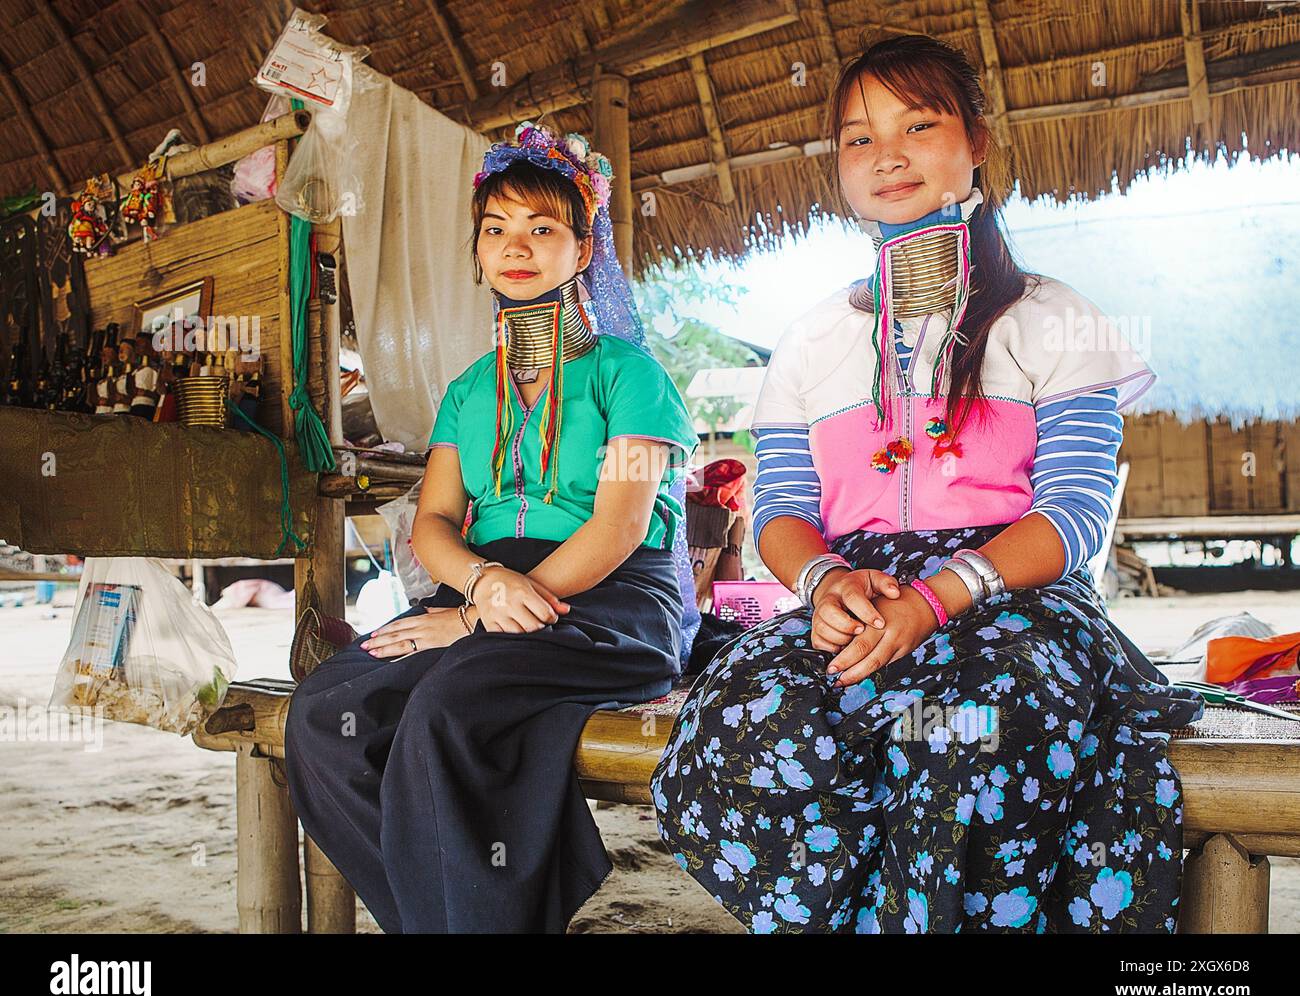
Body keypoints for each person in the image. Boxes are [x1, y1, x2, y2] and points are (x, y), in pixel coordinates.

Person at [650, 34, 1205, 934]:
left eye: (918, 125)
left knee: (973, 731)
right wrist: (824, 584)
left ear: (975, 140)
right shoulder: (811, 341)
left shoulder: (1052, 317)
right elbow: (783, 511)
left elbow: (1074, 515)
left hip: (1013, 596)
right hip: (858, 595)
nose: (887, 156)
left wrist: (939, 598)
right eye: (859, 138)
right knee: (749, 719)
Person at [285, 121, 699, 933]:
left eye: (542, 229)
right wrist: (478, 587)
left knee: (450, 705)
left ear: (583, 250)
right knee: (325, 714)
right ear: (477, 252)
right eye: (496, 229)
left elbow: (619, 527)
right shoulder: (469, 391)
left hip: (608, 599)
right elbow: (436, 522)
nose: (516, 246)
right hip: (484, 587)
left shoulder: (632, 377)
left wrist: (478, 618)